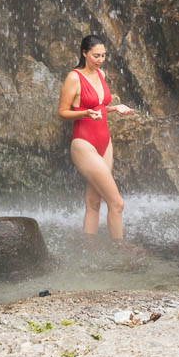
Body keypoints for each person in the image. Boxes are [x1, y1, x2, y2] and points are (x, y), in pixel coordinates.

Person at [57, 34, 134, 240]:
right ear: (84, 53)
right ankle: (120, 250)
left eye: (103, 56)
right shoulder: (74, 77)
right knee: (117, 203)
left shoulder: (101, 74)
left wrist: (115, 107)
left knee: (94, 203)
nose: (100, 60)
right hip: (84, 143)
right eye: (96, 56)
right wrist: (85, 113)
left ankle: (88, 250)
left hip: (105, 142)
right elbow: (62, 112)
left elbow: (99, 106)